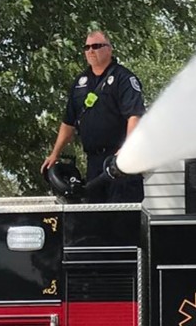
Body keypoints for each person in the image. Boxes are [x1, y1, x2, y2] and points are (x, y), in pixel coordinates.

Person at [42, 30, 145, 203]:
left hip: (119, 161)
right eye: (87, 47)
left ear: (109, 49)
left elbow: (134, 116)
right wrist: (55, 154)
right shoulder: (80, 83)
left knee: (122, 222)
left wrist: (127, 149)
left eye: (96, 46)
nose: (91, 51)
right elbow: (68, 123)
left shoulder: (124, 78)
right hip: (94, 163)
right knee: (94, 219)